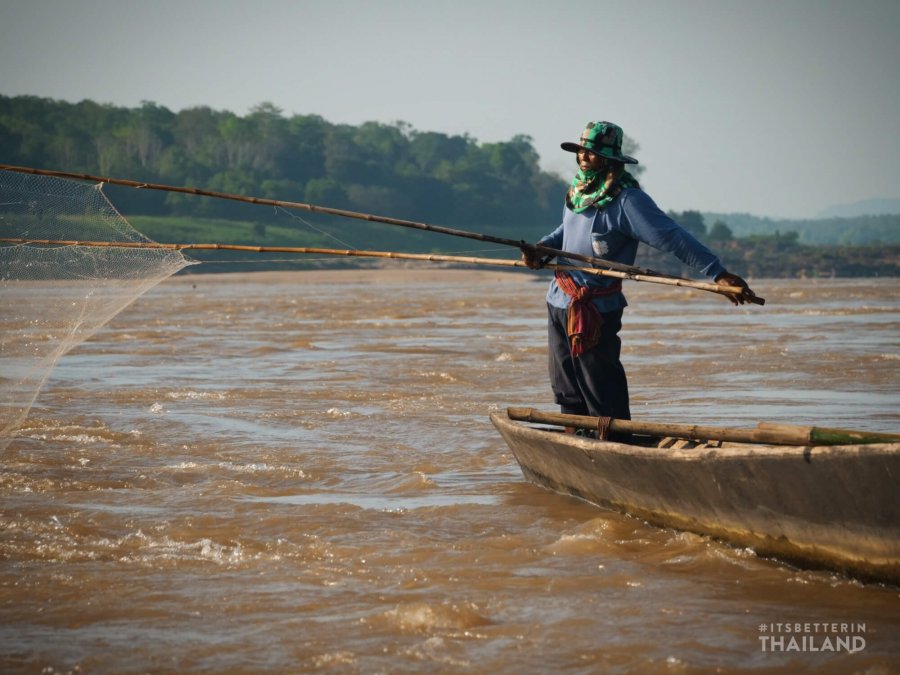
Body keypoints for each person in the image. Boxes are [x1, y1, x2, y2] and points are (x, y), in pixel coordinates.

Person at [521, 120, 756, 426]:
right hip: (559, 301)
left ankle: (613, 444)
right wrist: (541, 250)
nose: (584, 157)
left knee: (600, 390)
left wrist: (717, 272)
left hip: (594, 309)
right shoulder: (577, 191)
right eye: (581, 151)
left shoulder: (628, 200)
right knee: (567, 387)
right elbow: (565, 232)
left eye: (592, 153)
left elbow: (673, 237)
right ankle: (575, 441)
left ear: (610, 158)